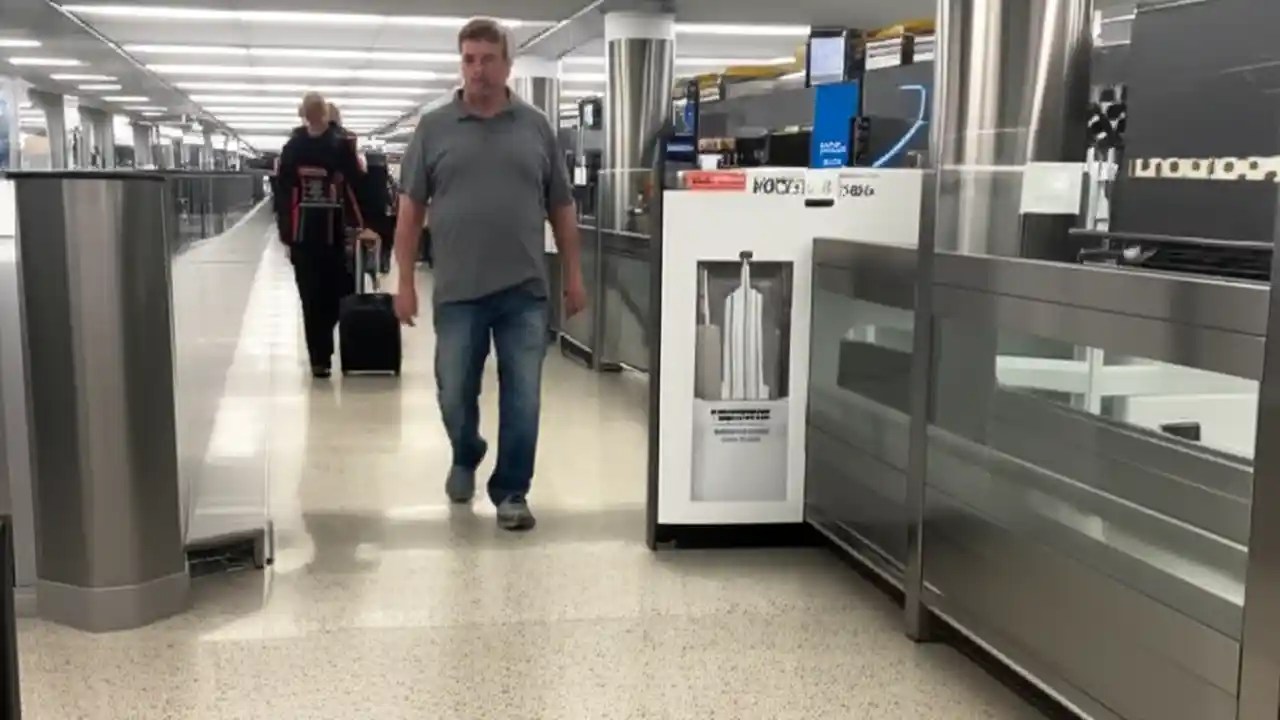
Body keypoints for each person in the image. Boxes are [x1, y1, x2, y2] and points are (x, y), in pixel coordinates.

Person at [393, 17, 587, 532]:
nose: (477, 70)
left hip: (524, 290)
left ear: (508, 64)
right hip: (458, 292)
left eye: (487, 59)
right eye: (468, 59)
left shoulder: (536, 126)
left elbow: (562, 208)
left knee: (524, 395)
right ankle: (467, 448)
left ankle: (511, 492)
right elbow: (410, 210)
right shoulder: (433, 128)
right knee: (453, 391)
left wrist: (574, 275)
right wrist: (405, 281)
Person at [275, 91, 377, 378]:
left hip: (327, 232)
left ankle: (325, 352)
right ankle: (320, 356)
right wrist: (287, 231)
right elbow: (284, 191)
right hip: (312, 233)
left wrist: (364, 223)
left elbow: (356, 186)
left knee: (331, 293)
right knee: (316, 295)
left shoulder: (334, 145)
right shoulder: (301, 147)